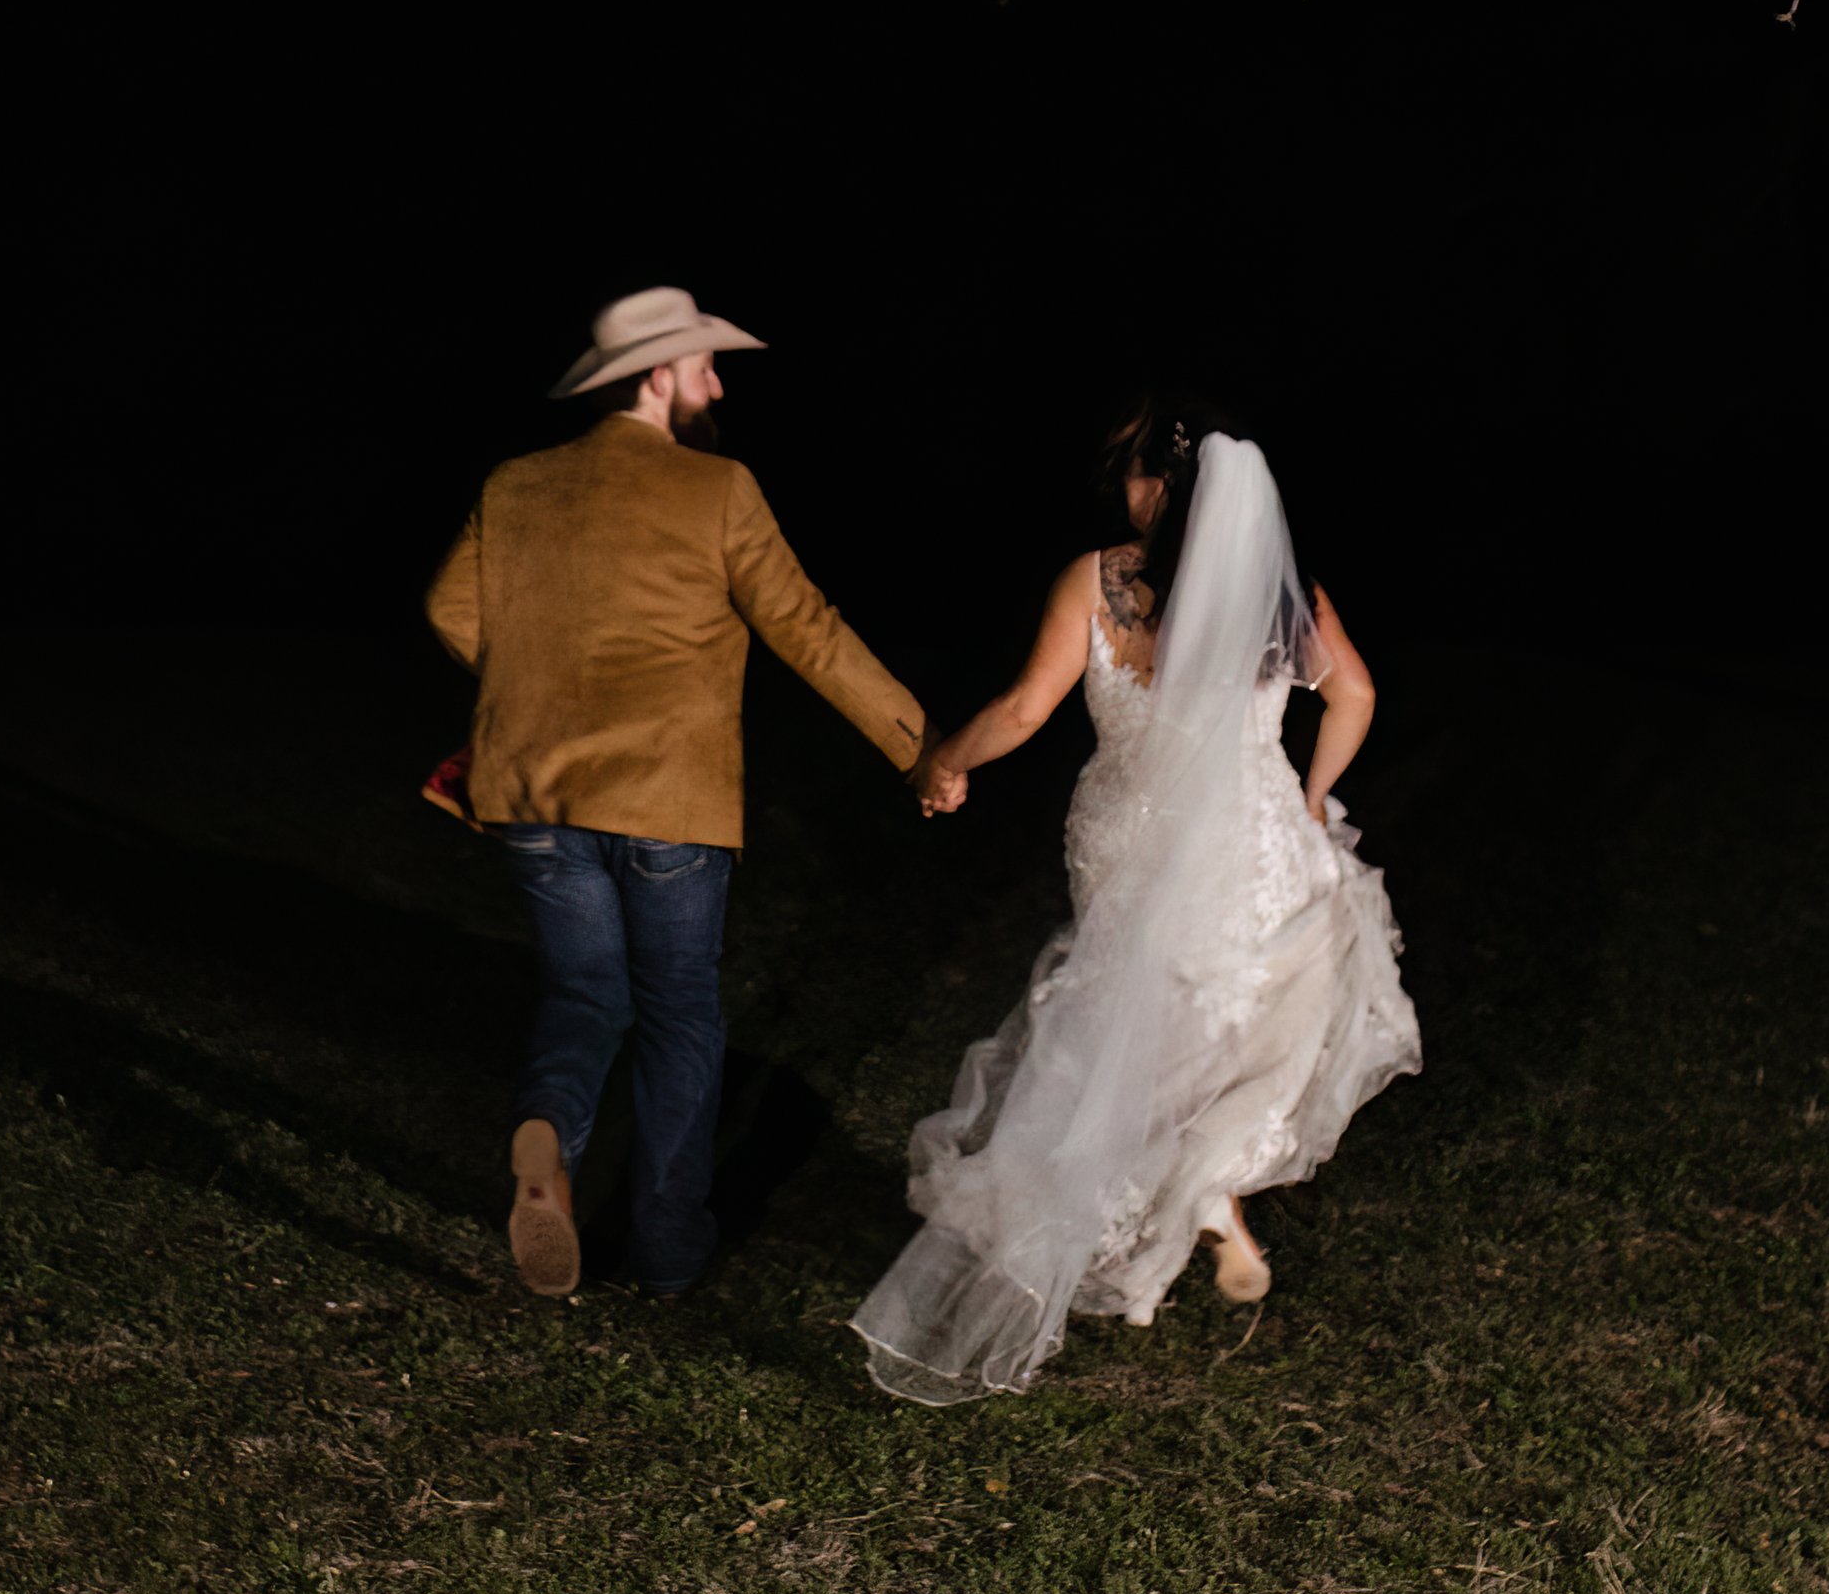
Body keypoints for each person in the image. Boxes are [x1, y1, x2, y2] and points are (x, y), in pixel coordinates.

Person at [857, 401, 1419, 1403]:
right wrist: (1308, 792)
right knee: (1239, 1032)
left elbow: (1026, 709)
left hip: (1133, 836)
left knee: (1132, 1026)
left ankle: (1175, 1207)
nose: (1120, 489)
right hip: (1257, 845)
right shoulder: (1282, 594)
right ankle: (1207, 1192)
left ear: (1159, 487)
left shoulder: (1099, 580)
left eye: (1129, 473)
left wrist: (944, 762)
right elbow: (1358, 696)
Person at [426, 286, 923, 1300]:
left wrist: (532, 690)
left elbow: (448, 608)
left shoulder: (515, 483)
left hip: (534, 799)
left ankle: (545, 1134)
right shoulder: (718, 488)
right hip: (668, 801)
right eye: (705, 364)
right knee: (680, 1018)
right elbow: (809, 630)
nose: (717, 383)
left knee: (582, 994)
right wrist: (919, 748)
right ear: (660, 374)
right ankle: (666, 1251)